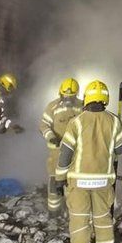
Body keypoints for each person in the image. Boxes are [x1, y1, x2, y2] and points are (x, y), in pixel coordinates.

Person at [55, 79, 122, 243]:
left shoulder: (76, 122)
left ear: (87, 98)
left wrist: (60, 178)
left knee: (79, 222)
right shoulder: (114, 121)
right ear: (105, 99)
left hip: (79, 182)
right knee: (103, 221)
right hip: (103, 181)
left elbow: (65, 154)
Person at [39, 77, 82, 215]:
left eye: (71, 97)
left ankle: (72, 212)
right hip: (56, 153)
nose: (68, 100)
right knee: (54, 181)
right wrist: (51, 137)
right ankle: (53, 210)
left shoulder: (82, 106)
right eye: (65, 96)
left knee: (73, 181)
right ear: (60, 93)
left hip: (76, 153)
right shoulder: (52, 107)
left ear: (76, 95)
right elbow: (43, 125)